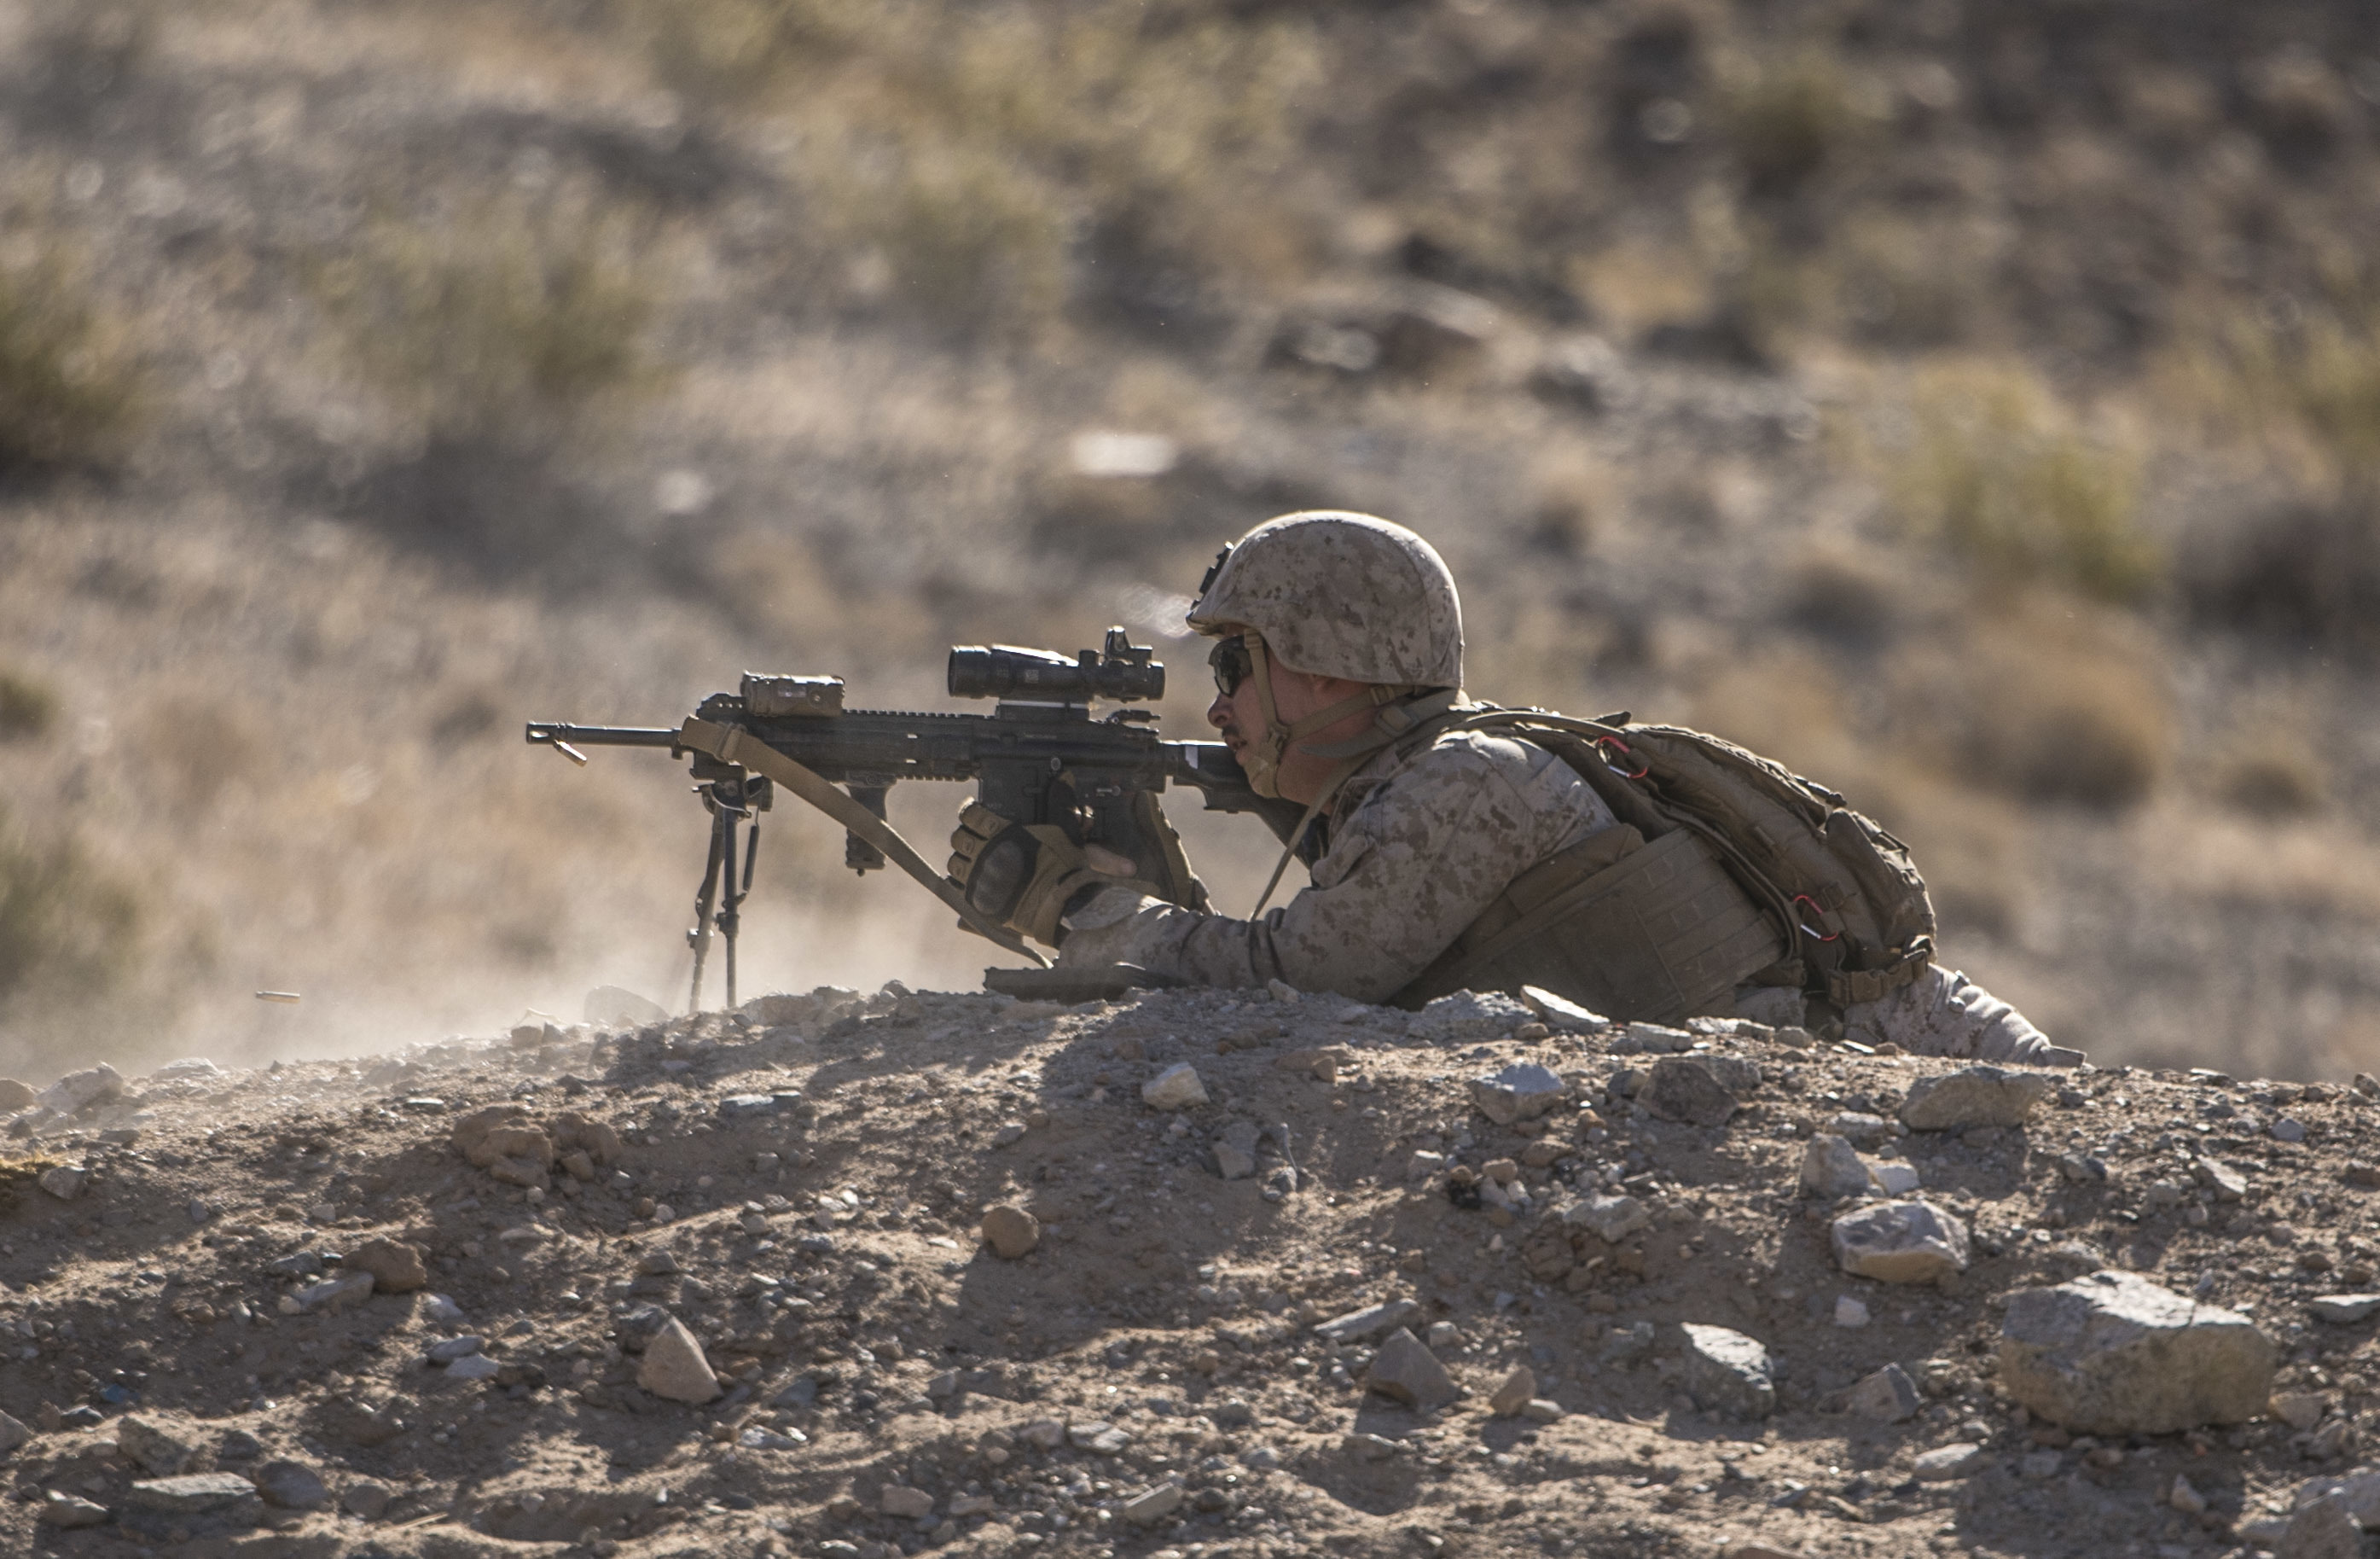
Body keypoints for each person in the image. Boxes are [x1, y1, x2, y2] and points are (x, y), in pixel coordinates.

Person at [948, 511, 2075, 1065]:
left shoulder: (1460, 786)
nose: (1219, 705)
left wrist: (1079, 909)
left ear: (1328, 668)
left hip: (1915, 1056)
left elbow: (1303, 979)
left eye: (1236, 665)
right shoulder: (1426, 775)